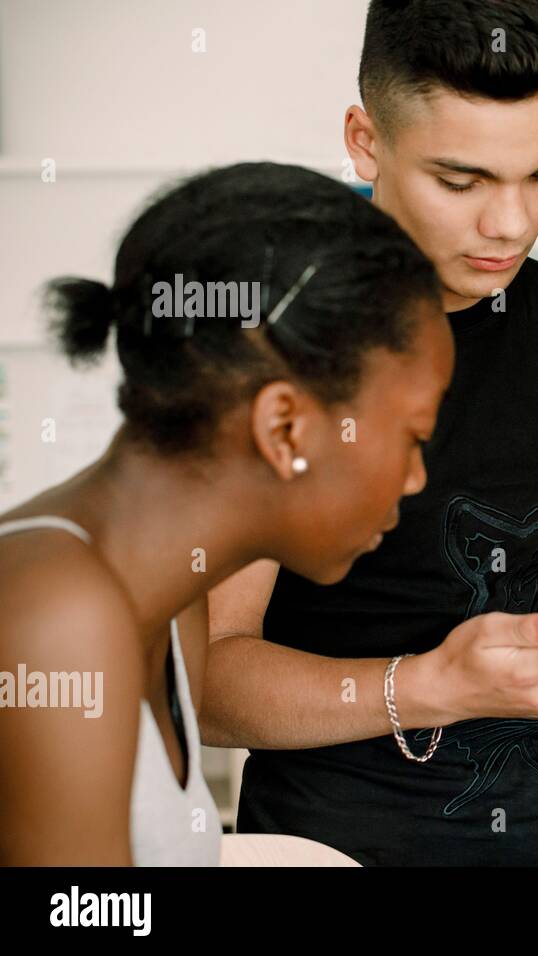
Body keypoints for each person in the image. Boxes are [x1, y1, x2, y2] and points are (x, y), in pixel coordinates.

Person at [202, 0, 538, 865]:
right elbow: (209, 683)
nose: (511, 224)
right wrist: (428, 688)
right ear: (365, 141)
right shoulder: (266, 343)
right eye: (461, 181)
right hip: (341, 848)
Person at [0, 161, 459, 864]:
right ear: (284, 429)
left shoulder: (174, 600)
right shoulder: (53, 615)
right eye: (412, 437)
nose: (416, 478)